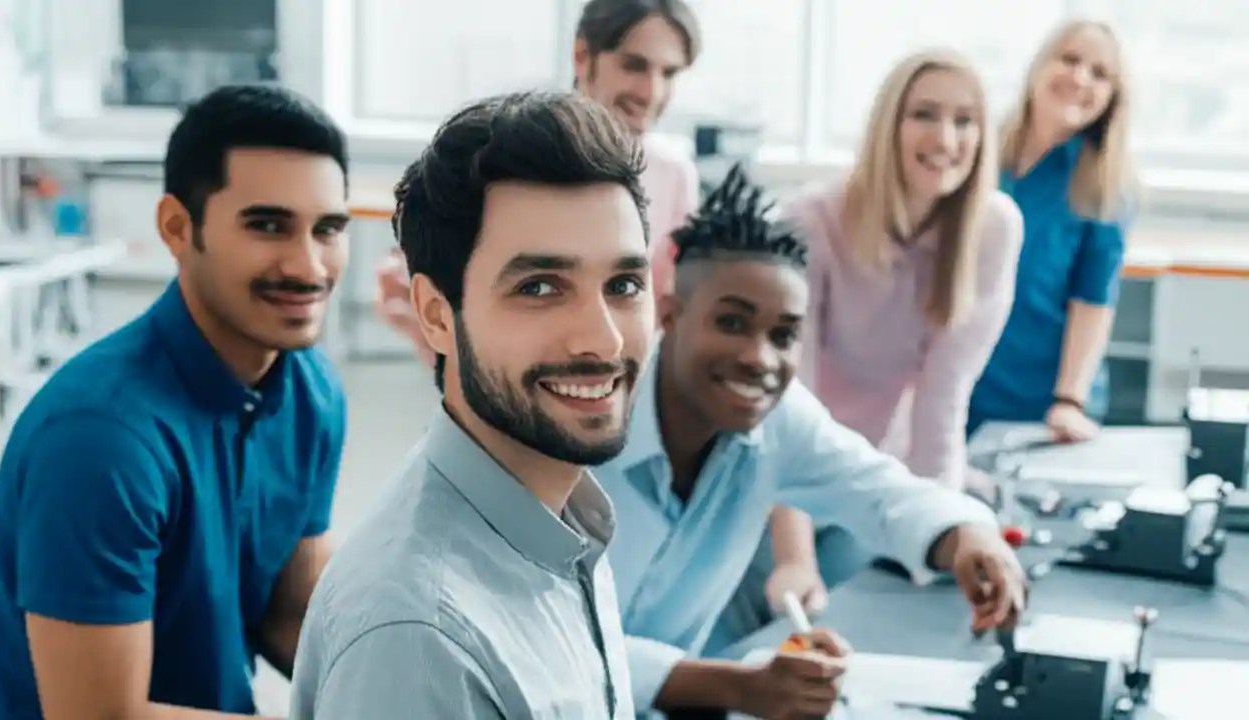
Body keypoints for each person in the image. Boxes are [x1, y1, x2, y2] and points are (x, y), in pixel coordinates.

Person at [289, 91, 672, 719]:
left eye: (624, 285)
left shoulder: (561, 520)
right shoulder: (419, 641)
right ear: (437, 315)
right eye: (541, 287)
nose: (603, 339)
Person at [594, 166, 1027, 718]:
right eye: (732, 323)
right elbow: (551, 648)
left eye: (783, 335)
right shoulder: (583, 423)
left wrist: (969, 538)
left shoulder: (779, 419)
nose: (759, 357)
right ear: (670, 316)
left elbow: (882, 492)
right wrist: (739, 687)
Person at [0, 85, 350, 720]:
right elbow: (99, 716)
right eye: (267, 225)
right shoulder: (100, 438)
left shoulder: (311, 392)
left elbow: (288, 614)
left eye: (328, 229)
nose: (307, 266)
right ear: (178, 228)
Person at [376, 0, 703, 366]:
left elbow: (669, 303)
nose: (651, 92)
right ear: (582, 55)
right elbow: (412, 285)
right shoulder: (503, 154)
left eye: (669, 73)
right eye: (634, 65)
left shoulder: (674, 174)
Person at [782, 49, 1023, 489]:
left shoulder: (994, 228)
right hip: (798, 462)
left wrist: (938, 528)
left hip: (888, 460)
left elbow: (945, 394)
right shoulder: (809, 221)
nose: (946, 140)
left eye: (965, 120)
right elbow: (793, 397)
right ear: (888, 126)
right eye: (924, 115)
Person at [968, 19, 1137, 442]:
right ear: (1039, 67)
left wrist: (1069, 400)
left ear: (1112, 98)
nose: (1080, 78)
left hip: (1042, 403)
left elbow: (1093, 301)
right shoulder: (975, 153)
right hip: (963, 383)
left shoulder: (1104, 187)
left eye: (1100, 73)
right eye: (1070, 59)